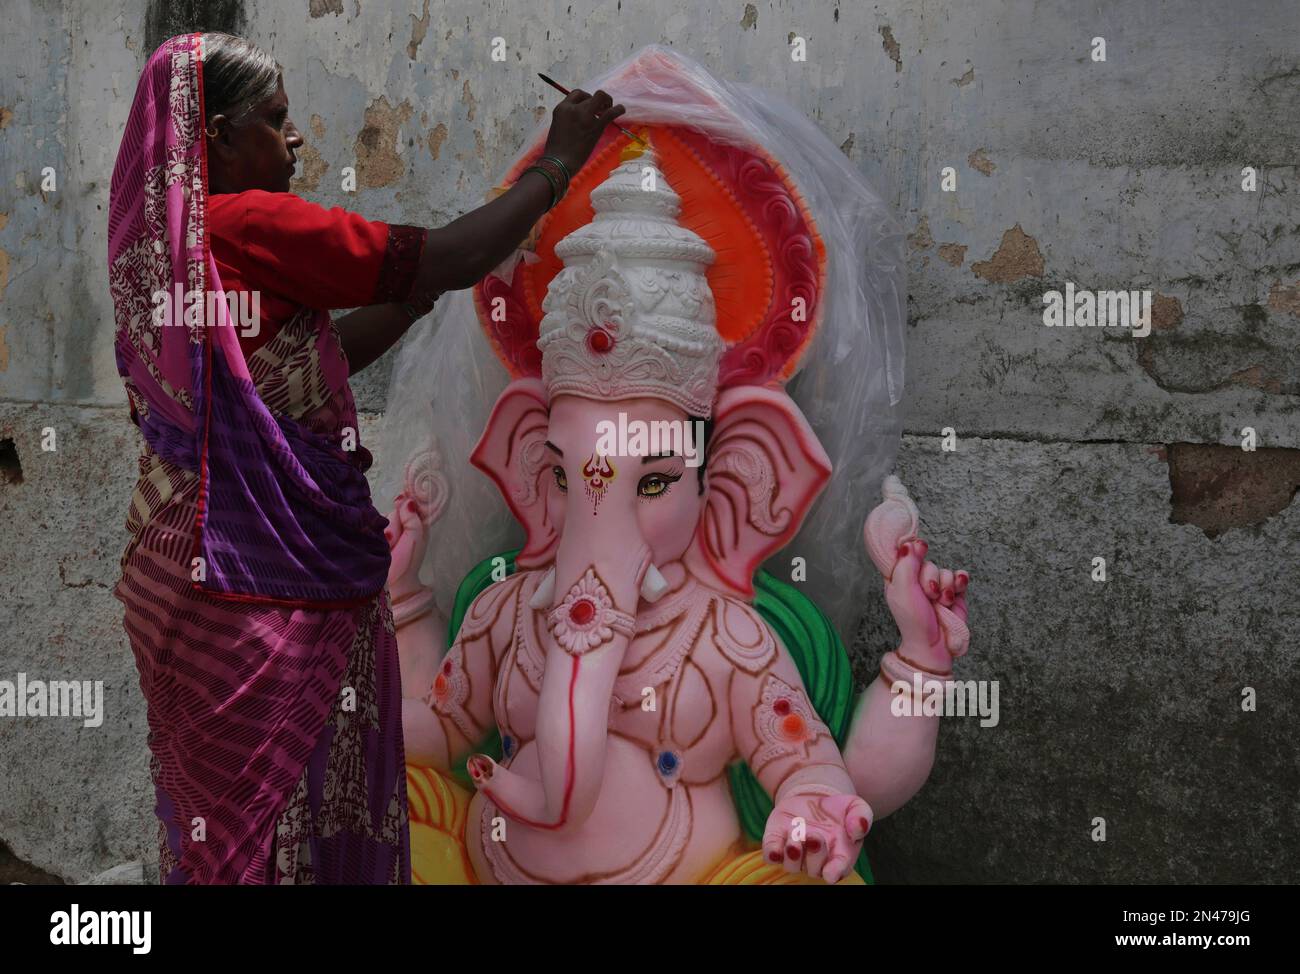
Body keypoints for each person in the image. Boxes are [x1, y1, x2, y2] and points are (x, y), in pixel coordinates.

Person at [106, 30, 623, 884]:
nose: (298, 139)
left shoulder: (157, 251)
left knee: (223, 819)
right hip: (260, 578)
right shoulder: (249, 222)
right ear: (221, 138)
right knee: (280, 809)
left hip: (175, 569)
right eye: (277, 121)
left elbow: (298, 369)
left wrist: (416, 299)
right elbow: (447, 251)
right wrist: (556, 168)